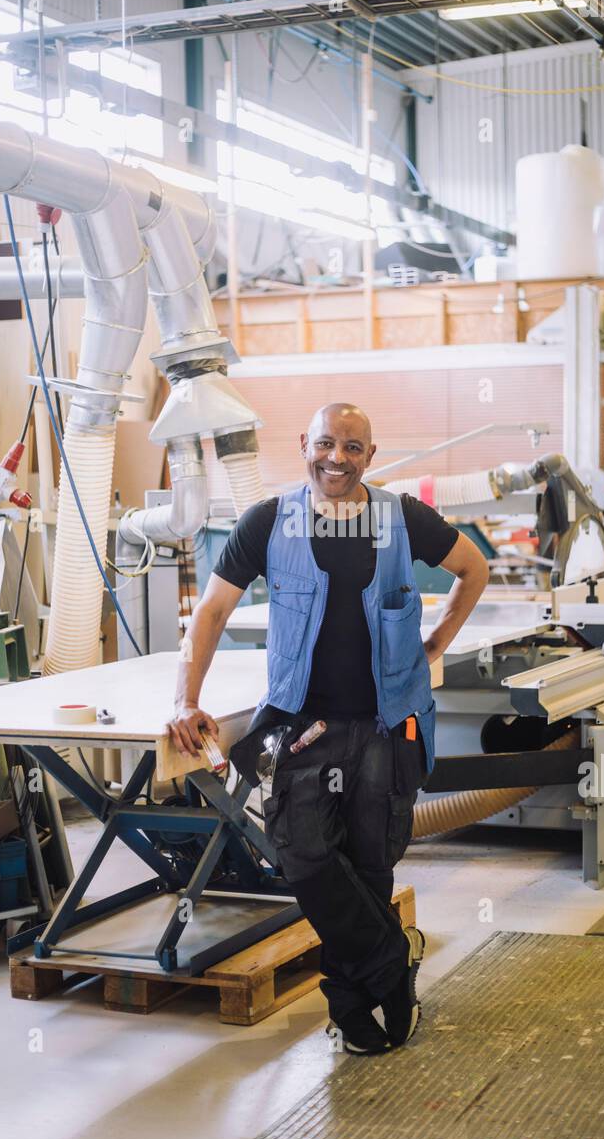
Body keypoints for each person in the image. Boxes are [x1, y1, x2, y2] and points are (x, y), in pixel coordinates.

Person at [168, 403, 489, 1053]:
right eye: (324, 444)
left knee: (370, 868)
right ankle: (392, 971)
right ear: (303, 445)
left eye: (350, 447)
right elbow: (210, 611)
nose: (335, 458)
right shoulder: (267, 522)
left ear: (371, 455)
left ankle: (350, 1009)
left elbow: (473, 569)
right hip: (299, 727)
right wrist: (185, 698)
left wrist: (435, 644)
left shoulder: (402, 521)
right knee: (305, 856)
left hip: (384, 726)